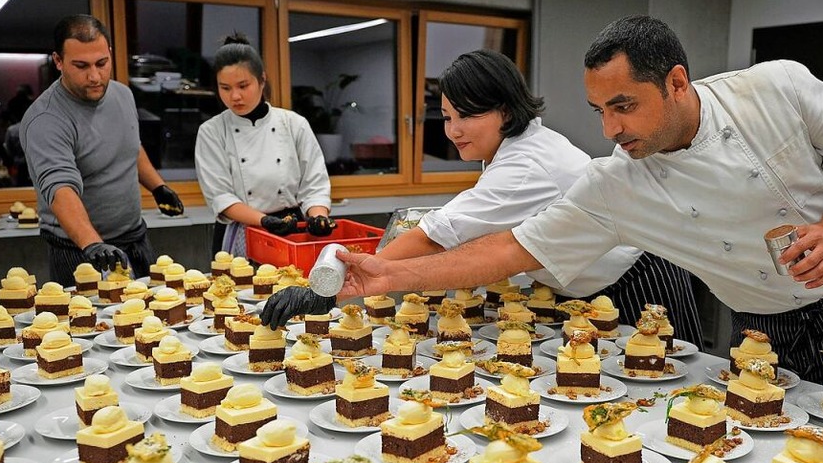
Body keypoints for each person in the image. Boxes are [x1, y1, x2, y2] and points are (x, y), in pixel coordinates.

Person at [334, 16, 823, 414]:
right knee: (784, 452)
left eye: (624, 106)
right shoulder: (617, 183)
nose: (610, 129)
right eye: (599, 110)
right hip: (761, 326)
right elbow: (510, 249)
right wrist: (389, 276)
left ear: (677, 82)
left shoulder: (775, 89)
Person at [263, 49, 703, 345]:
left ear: (505, 111)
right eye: (446, 117)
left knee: (668, 390)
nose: (453, 131)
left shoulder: (525, 164)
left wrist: (330, 289)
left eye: (467, 116)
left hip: (636, 284)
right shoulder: (512, 147)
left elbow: (437, 235)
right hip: (585, 285)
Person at [20, 15, 183, 285]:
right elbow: (60, 189)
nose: (94, 76)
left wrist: (157, 186)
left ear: (110, 54)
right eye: (81, 66)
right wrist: (92, 243)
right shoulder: (45, 119)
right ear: (58, 61)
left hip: (135, 238)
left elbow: (131, 146)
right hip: (81, 249)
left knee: (156, 310)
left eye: (101, 63)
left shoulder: (122, 94)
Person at [195, 33, 334, 259]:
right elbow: (221, 196)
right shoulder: (212, 131)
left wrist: (318, 216)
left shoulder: (293, 124)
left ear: (262, 79)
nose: (235, 96)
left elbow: (314, 184)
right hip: (239, 232)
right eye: (225, 88)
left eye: (243, 85)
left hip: (292, 230)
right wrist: (264, 221)